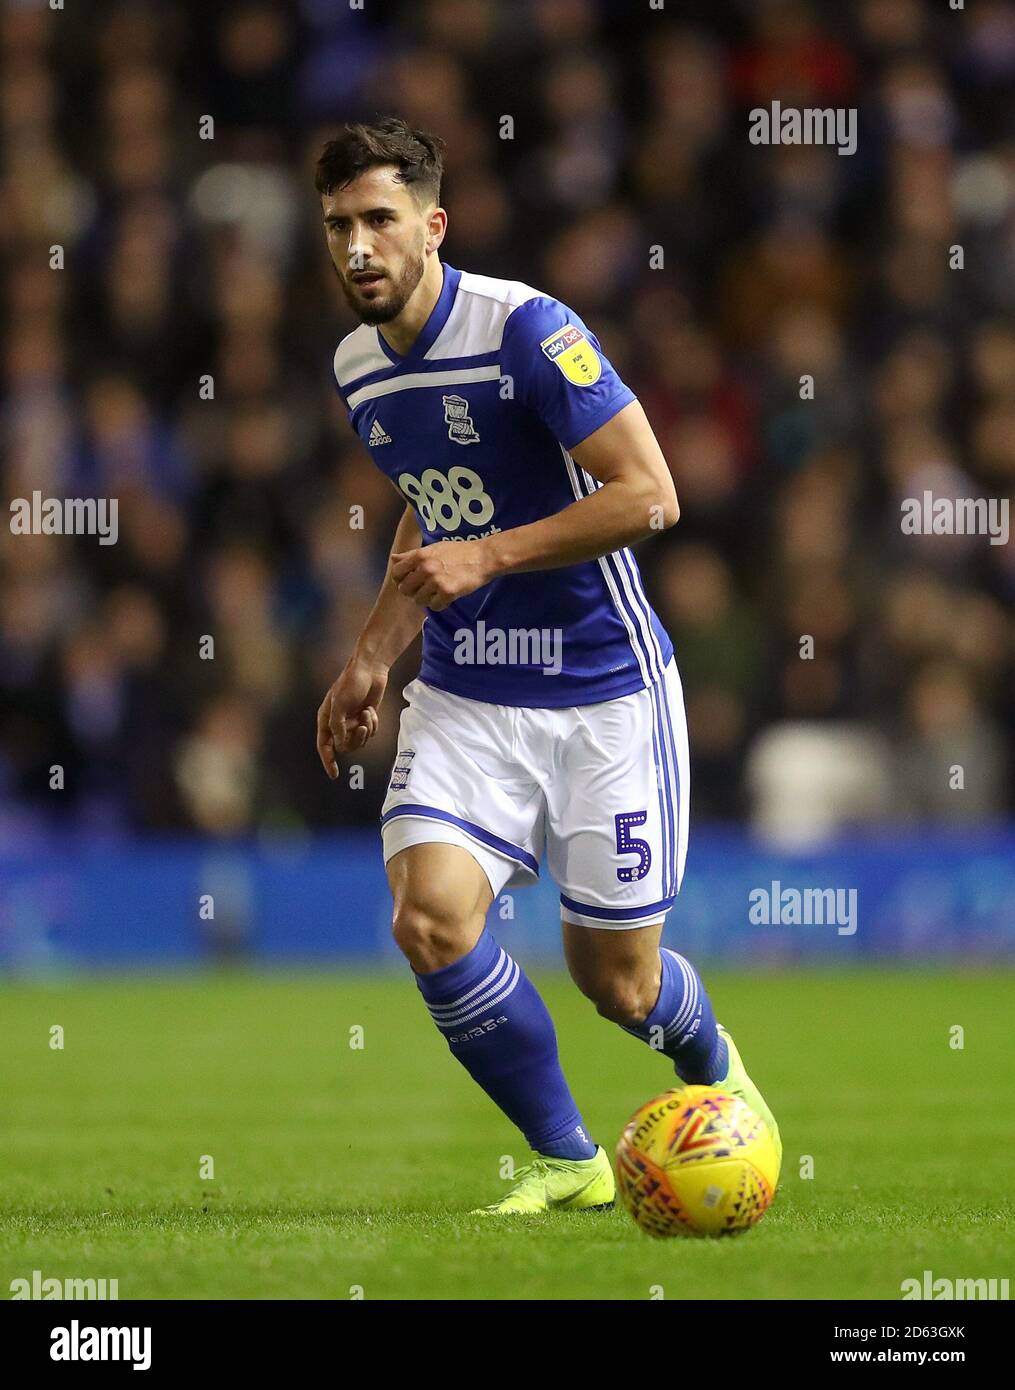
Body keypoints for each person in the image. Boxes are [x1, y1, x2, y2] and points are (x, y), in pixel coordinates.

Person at [315, 117, 780, 1215]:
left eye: (380, 219)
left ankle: (717, 1074)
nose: (358, 247)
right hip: (467, 695)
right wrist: (371, 657)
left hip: (602, 691)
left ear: (434, 225)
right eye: (337, 226)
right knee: (429, 919)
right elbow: (433, 508)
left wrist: (488, 555)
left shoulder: (527, 328)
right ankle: (569, 1159)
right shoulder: (355, 367)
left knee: (617, 984)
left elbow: (650, 494)